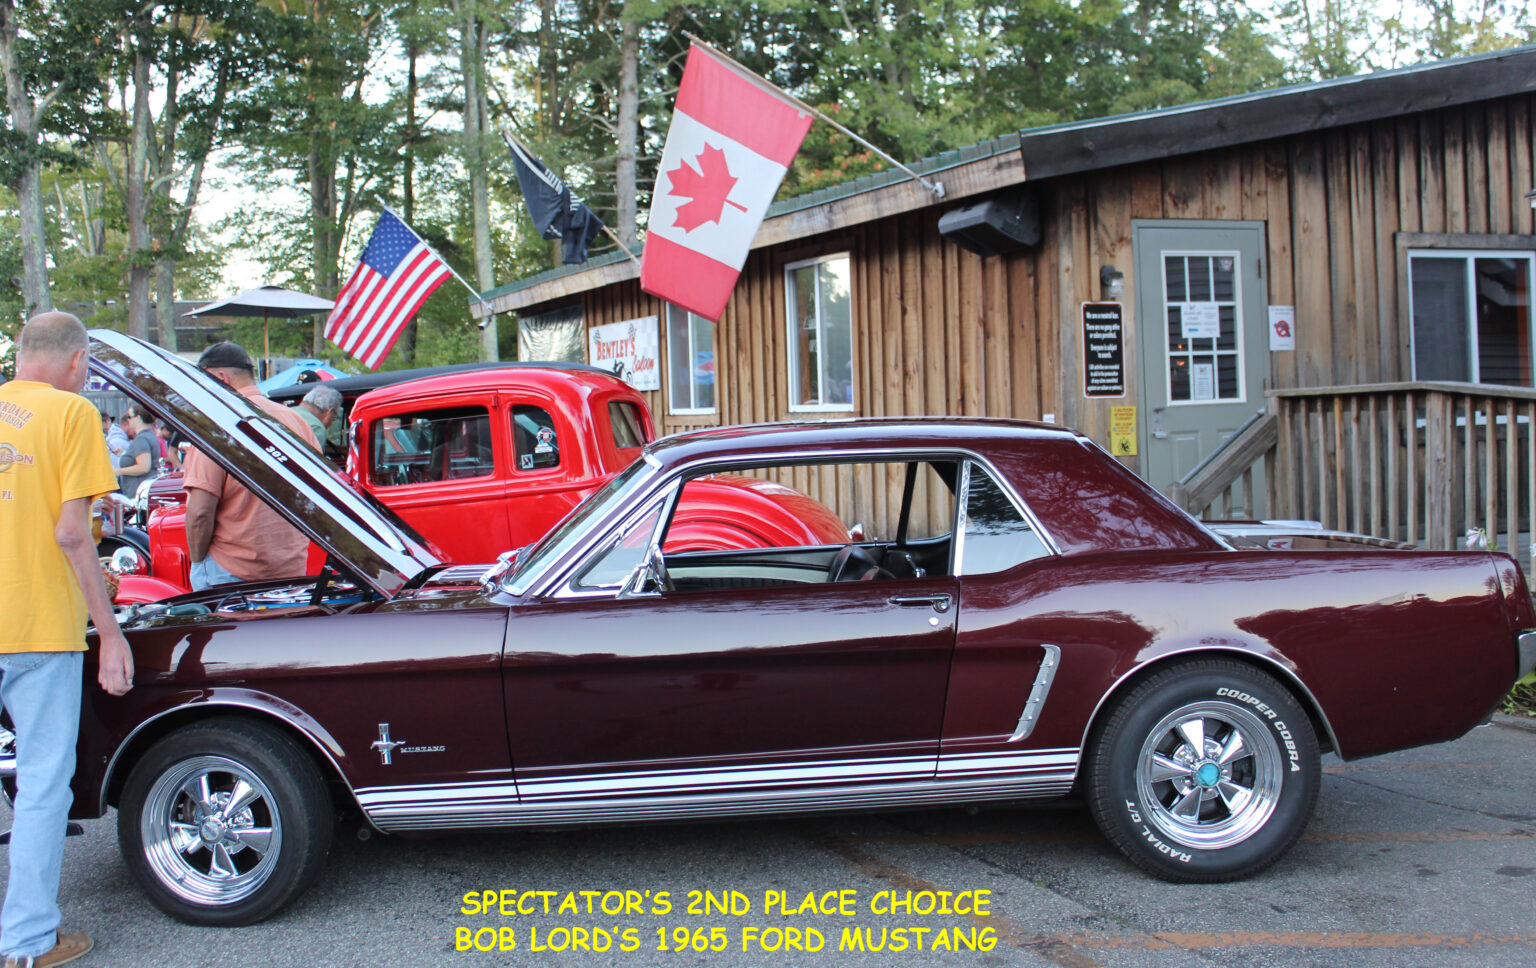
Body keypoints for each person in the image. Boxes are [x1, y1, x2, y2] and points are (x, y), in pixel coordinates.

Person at [0, 311, 133, 968]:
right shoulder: (72, 414)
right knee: (41, 786)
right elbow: (73, 534)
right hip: (39, 629)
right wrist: (109, 634)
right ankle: (25, 945)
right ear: (77, 362)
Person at [182, 342, 318, 590]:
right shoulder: (296, 422)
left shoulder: (216, 425)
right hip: (291, 569)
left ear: (220, 377)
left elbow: (199, 513)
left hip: (231, 572)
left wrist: (198, 562)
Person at [114, 405, 159, 495]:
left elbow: (144, 467)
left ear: (138, 418)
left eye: (129, 417)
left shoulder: (141, 439)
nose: (128, 420)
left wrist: (118, 471)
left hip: (136, 491)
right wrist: (125, 455)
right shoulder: (149, 435)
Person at [294, 384, 341, 454]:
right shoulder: (316, 428)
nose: (331, 422)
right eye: (334, 417)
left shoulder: (284, 412)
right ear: (330, 411)